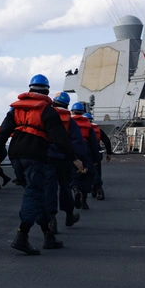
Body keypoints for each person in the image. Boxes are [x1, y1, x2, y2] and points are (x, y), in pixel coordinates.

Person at [0, 75, 83, 255]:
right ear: (47, 91)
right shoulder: (47, 111)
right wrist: (74, 158)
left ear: (30, 89)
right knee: (33, 194)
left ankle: (48, 236)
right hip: (35, 155)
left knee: (36, 193)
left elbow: (2, 132)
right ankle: (22, 236)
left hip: (15, 155)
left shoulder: (15, 109)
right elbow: (60, 138)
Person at [49, 92, 87, 229]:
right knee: (65, 187)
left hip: (46, 159)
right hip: (64, 160)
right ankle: (69, 215)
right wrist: (79, 160)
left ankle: (51, 219)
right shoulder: (70, 122)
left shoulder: (45, 117)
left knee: (50, 189)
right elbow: (78, 143)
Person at [69, 104, 102, 210]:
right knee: (87, 175)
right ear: (82, 112)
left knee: (73, 173)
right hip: (86, 148)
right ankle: (84, 200)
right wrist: (96, 159)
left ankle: (75, 189)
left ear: (72, 111)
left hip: (72, 149)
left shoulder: (68, 122)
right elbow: (94, 143)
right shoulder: (88, 124)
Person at [90, 114, 112, 200]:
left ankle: (86, 191)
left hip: (85, 152)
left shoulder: (80, 129)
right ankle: (98, 189)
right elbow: (106, 141)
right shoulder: (98, 130)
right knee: (97, 171)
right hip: (97, 152)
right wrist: (109, 153)